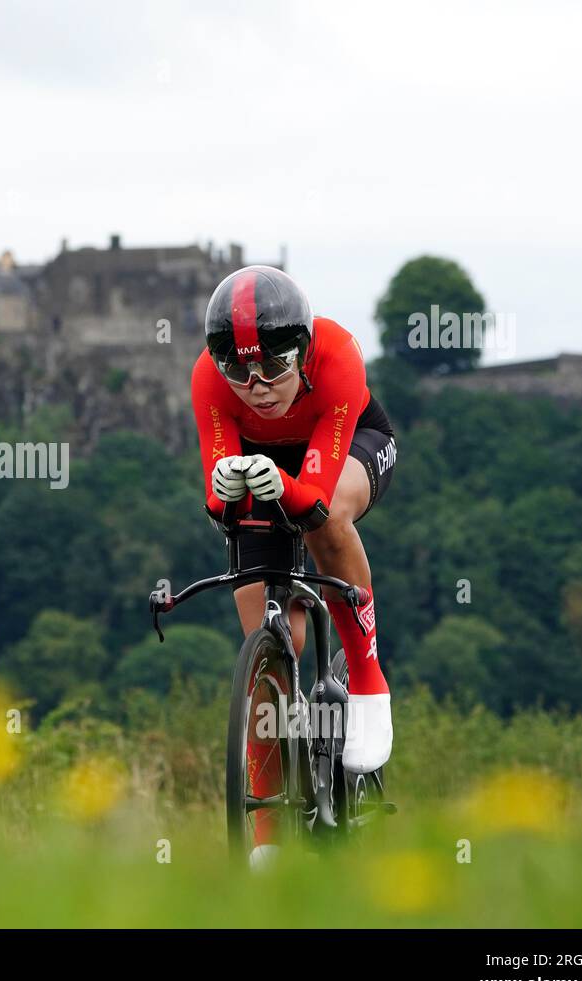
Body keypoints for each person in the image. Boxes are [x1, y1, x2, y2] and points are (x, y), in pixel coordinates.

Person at [190, 265, 397, 860]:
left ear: (302, 352)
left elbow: (315, 497)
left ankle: (366, 677)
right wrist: (224, 492)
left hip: (346, 445)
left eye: (274, 366)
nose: (256, 385)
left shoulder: (337, 358)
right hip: (264, 460)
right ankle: (269, 837)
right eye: (238, 369)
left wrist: (277, 482)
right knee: (272, 647)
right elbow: (215, 499)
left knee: (328, 521)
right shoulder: (208, 379)